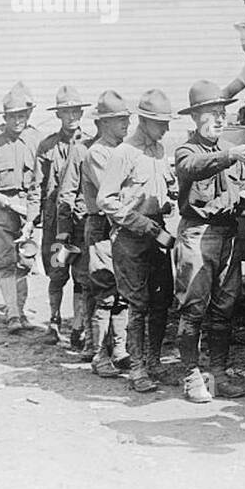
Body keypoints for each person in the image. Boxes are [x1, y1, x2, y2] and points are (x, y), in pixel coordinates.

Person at [172, 80, 245, 403]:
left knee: (225, 307)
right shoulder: (188, 150)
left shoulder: (229, 152)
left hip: (228, 234)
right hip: (198, 235)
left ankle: (218, 374)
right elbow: (190, 168)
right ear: (195, 118)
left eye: (223, 113)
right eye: (212, 113)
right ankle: (192, 376)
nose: (220, 119)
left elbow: (243, 187)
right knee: (193, 309)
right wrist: (230, 154)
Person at [97, 89, 177, 394]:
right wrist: (140, 221)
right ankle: (138, 368)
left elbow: (164, 188)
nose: (166, 129)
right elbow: (107, 200)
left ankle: (154, 361)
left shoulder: (158, 150)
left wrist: (167, 200)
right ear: (144, 121)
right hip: (131, 238)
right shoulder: (123, 153)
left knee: (161, 301)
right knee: (138, 303)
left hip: (157, 234)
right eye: (161, 123)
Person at [57, 91, 132, 370]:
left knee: (123, 291)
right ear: (102, 124)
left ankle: (120, 349)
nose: (125, 123)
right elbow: (113, 194)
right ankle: (100, 353)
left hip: (121, 225)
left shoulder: (123, 150)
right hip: (101, 225)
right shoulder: (96, 153)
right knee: (103, 290)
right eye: (118, 119)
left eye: (126, 118)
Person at [0, 83, 44, 335]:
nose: (18, 120)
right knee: (5, 260)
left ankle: (20, 310)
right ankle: (12, 312)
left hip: (28, 210)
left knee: (25, 259)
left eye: (22, 115)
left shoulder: (37, 141)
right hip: (1, 210)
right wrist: (2, 200)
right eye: (13, 116)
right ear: (4, 118)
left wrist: (33, 213)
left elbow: (42, 179)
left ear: (29, 115)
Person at [36, 86, 89, 345]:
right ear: (58, 115)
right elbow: (38, 187)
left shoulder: (89, 144)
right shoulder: (47, 147)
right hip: (58, 225)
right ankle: (54, 320)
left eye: (76, 111)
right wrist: (31, 220)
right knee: (58, 272)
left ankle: (78, 325)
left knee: (81, 274)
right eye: (66, 112)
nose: (72, 116)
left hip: (81, 223)